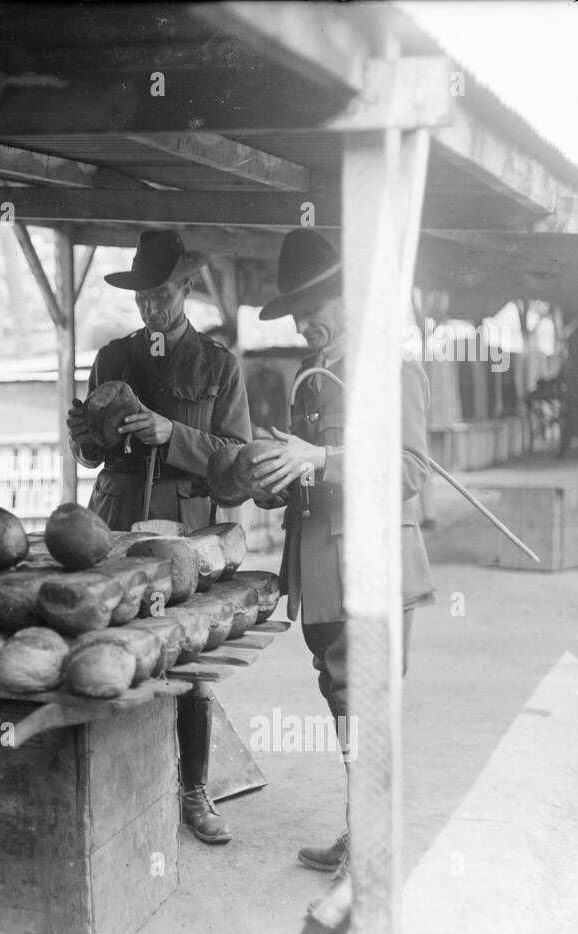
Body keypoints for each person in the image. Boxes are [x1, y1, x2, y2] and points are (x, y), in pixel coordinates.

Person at [231, 228, 435, 894]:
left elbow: (409, 469)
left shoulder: (391, 368)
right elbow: (307, 475)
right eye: (296, 307)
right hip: (320, 573)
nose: (303, 319)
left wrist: (321, 459)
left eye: (316, 301)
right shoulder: (310, 383)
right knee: (342, 698)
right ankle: (364, 827)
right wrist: (277, 481)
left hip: (373, 572)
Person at [65, 229, 252, 845]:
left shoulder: (219, 364)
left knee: (188, 651)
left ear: (187, 288)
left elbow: (238, 460)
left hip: (186, 520)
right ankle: (124, 792)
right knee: (115, 641)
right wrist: (86, 433)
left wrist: (171, 432)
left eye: (162, 293)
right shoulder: (112, 358)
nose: (151, 306)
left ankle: (193, 789)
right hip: (118, 512)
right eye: (142, 297)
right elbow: (94, 455)